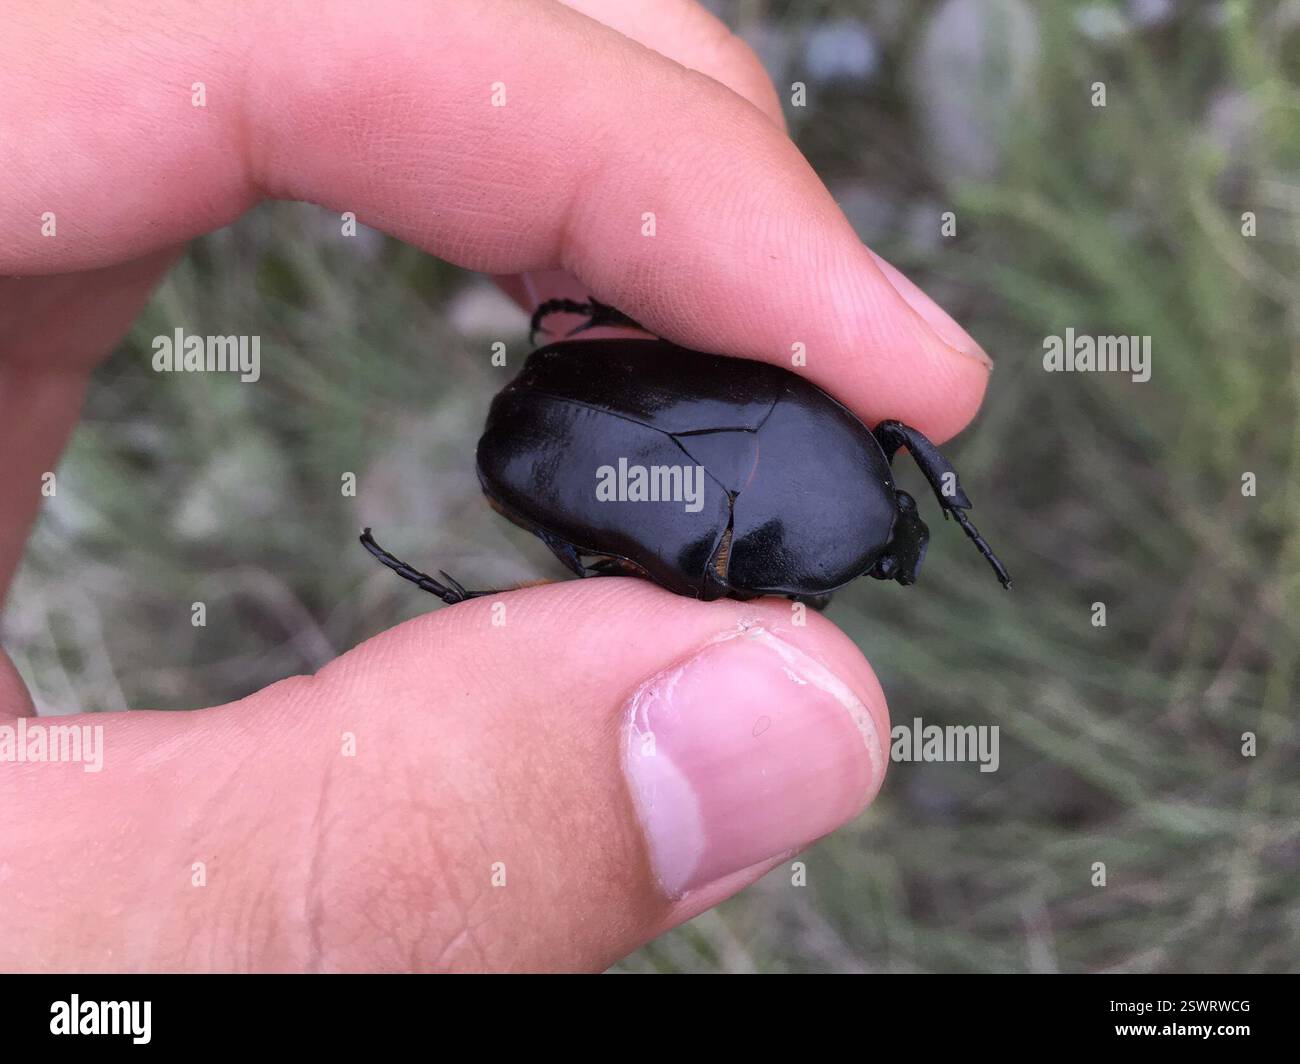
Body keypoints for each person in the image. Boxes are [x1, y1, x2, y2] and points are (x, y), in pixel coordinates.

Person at [0, 0, 992, 971]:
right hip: (555, 435)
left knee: (603, 582)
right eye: (917, 504)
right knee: (608, 592)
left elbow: (890, 429)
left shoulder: (823, 440)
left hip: (559, 428)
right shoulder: (762, 538)